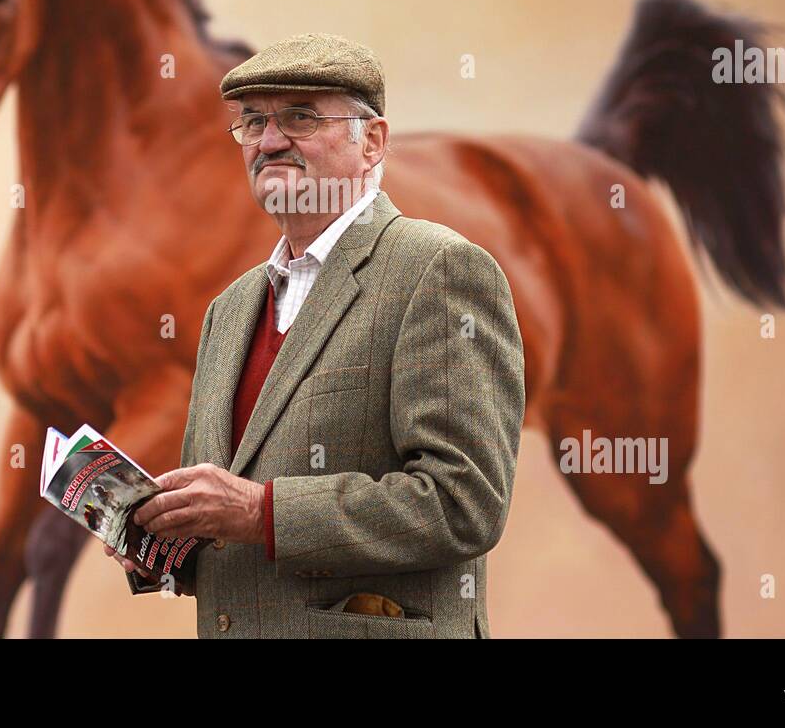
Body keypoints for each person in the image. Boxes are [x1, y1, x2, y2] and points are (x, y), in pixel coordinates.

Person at [104, 32, 525, 638]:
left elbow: (464, 504)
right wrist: (164, 544)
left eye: (299, 117)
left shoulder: (439, 270)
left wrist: (258, 512)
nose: (269, 141)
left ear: (372, 141)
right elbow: (239, 539)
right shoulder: (230, 309)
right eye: (251, 122)